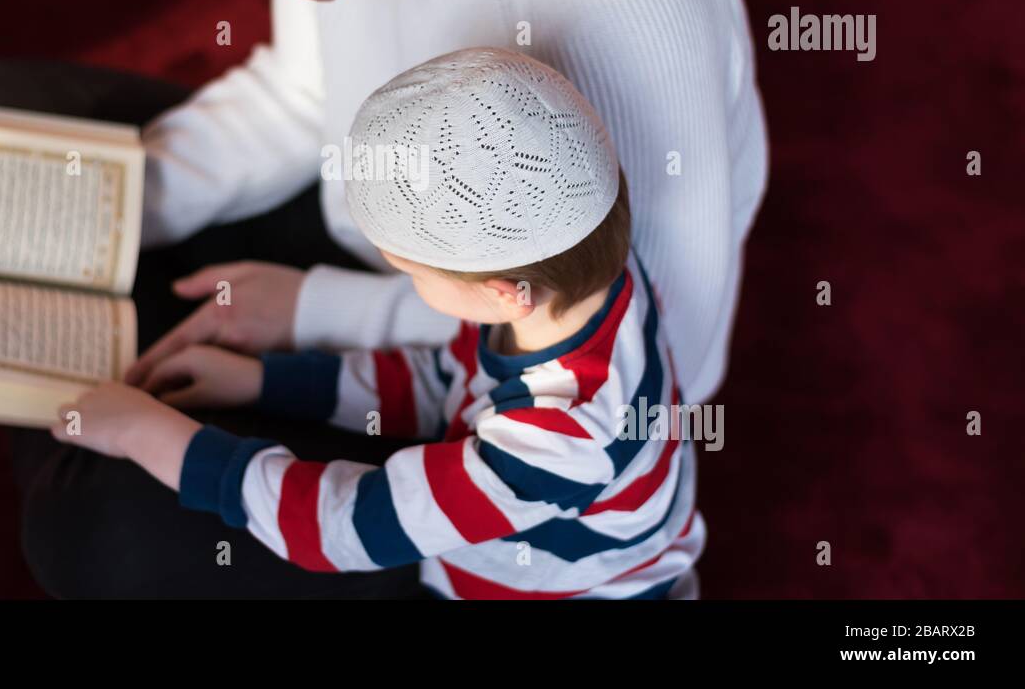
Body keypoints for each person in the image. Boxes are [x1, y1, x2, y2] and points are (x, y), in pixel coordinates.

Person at [54, 48, 703, 599]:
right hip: (527, 502)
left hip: (544, 583)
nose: (409, 287)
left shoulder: (560, 438)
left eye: (413, 273)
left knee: (87, 531)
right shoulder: (584, 269)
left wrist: (150, 435)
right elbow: (445, 377)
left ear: (504, 294)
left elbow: (342, 528)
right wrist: (263, 381)